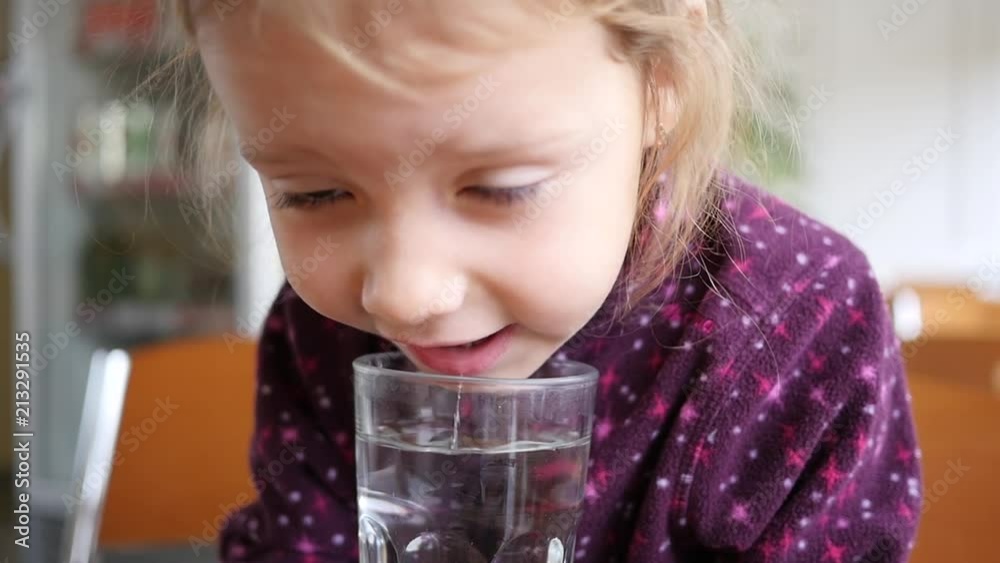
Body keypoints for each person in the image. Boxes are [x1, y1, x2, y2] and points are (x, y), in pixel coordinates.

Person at [167, 0, 922, 560]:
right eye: (316, 195)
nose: (402, 295)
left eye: (500, 186)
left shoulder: (800, 324)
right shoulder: (315, 332)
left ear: (661, 82)